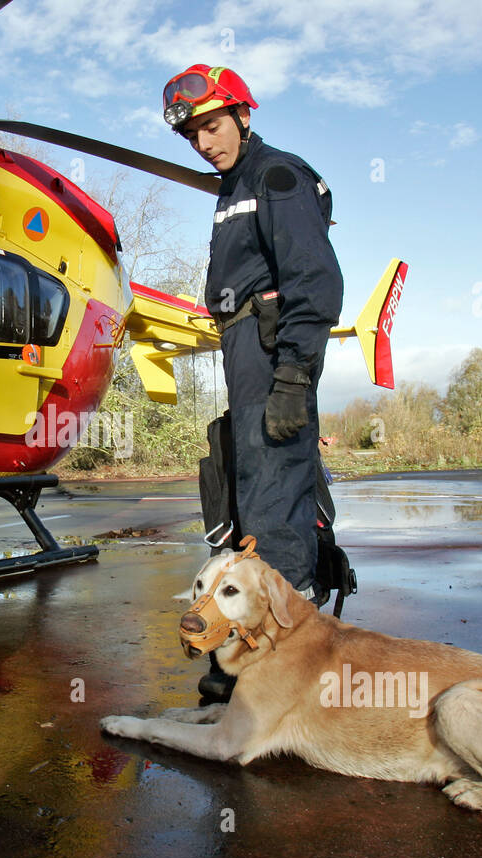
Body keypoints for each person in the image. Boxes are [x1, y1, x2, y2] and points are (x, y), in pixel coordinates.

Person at [163, 64, 344, 700]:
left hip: (272, 354)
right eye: (192, 135)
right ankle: (249, 656)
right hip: (244, 351)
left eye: (212, 125)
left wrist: (294, 375)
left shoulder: (276, 176)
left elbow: (315, 282)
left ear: (242, 115)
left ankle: (279, 673)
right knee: (242, 502)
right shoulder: (233, 188)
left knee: (274, 503)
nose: (204, 143)